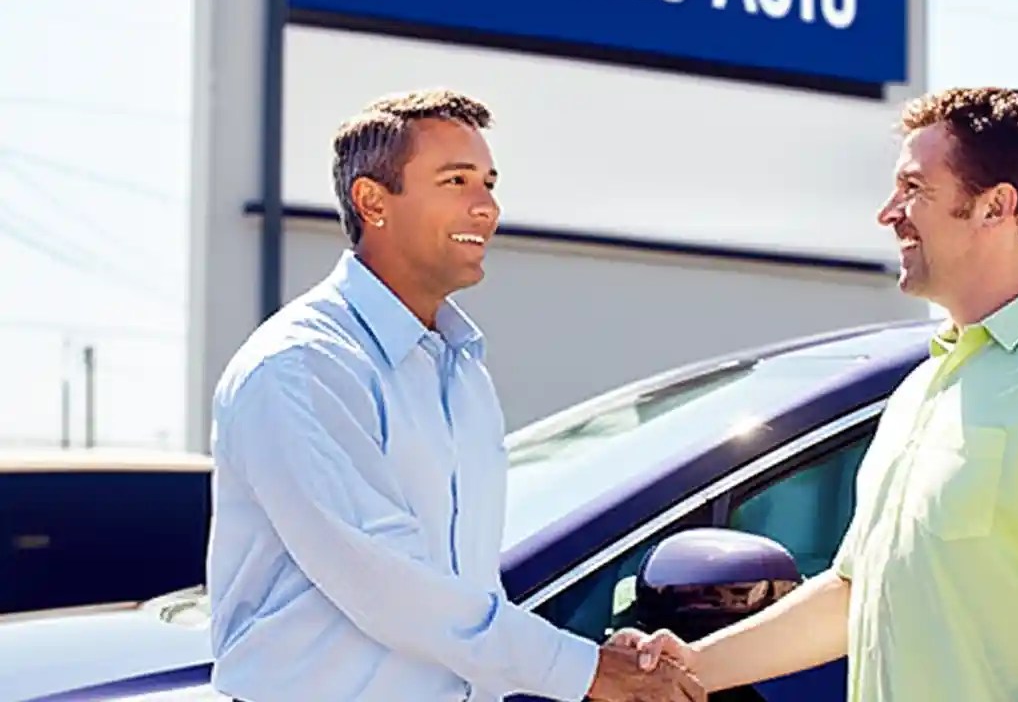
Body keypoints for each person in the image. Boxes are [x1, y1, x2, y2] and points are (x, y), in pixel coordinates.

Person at [615, 86, 1018, 700]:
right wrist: (685, 668)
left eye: (914, 188)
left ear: (996, 206)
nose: (888, 212)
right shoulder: (922, 386)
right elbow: (853, 595)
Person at [204, 89, 704, 702]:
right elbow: (390, 584)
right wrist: (586, 669)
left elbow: (464, 593)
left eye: (490, 183)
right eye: (457, 180)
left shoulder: (461, 368)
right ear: (372, 200)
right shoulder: (301, 366)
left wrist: (593, 653)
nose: (487, 207)